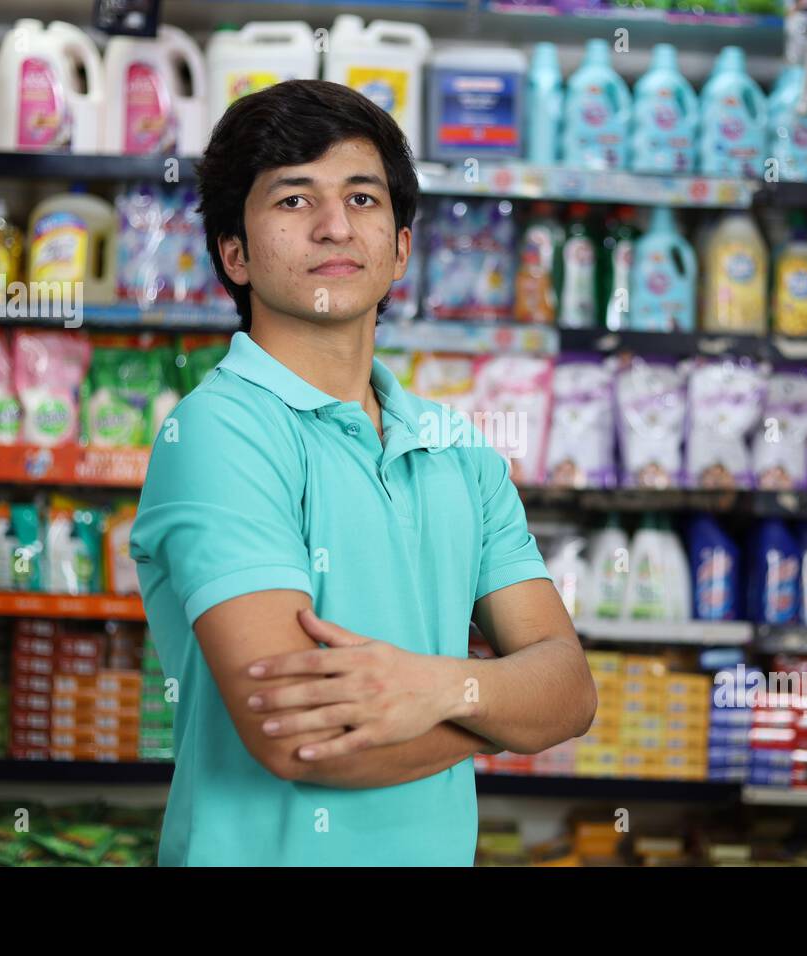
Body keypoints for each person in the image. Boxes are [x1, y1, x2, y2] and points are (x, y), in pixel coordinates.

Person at [130, 80, 598, 866]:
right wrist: (494, 708)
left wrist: (440, 688)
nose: (335, 225)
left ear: (402, 248)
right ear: (233, 254)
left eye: (363, 197)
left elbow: (571, 693)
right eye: (291, 200)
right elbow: (303, 741)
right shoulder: (217, 433)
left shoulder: (456, 447)